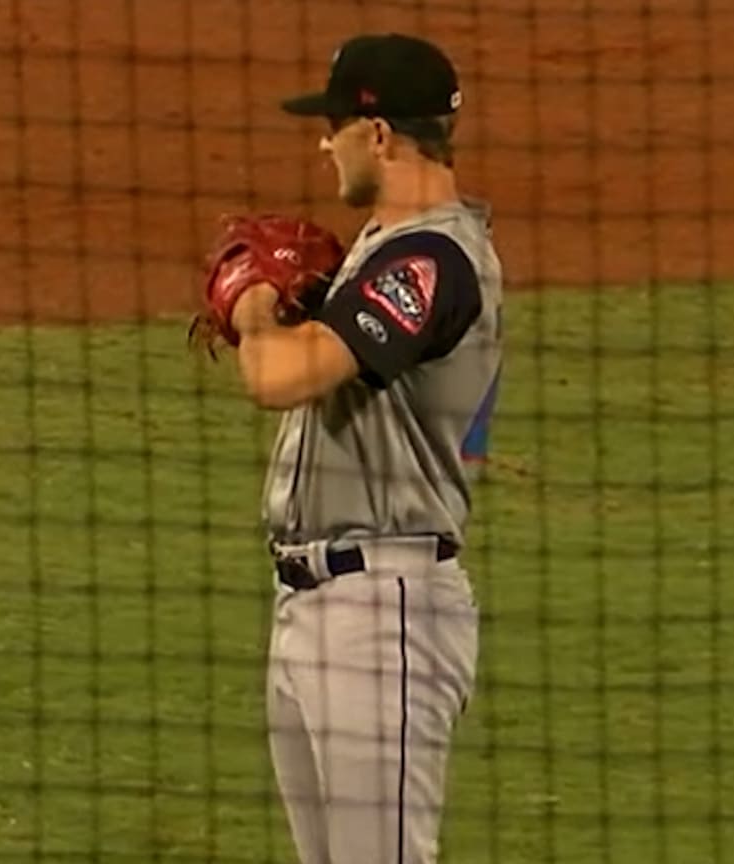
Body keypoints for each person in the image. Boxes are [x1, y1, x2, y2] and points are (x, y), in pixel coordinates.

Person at [222, 33, 503, 864]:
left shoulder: (433, 259)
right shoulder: (384, 255)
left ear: (378, 134)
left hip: (384, 616)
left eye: (335, 124)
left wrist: (255, 310)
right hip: (318, 605)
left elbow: (281, 376)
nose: (323, 141)